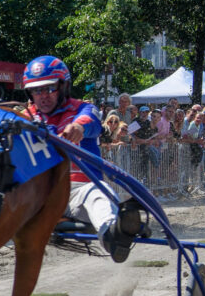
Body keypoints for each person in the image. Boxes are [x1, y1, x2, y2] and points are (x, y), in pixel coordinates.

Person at [18, 55, 132, 262]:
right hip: (38, 194)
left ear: (63, 87)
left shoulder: (82, 109)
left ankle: (112, 234)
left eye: (49, 88)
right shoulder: (25, 117)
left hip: (77, 191)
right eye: (36, 90)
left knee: (98, 193)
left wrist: (79, 128)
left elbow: (91, 122)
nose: (42, 96)